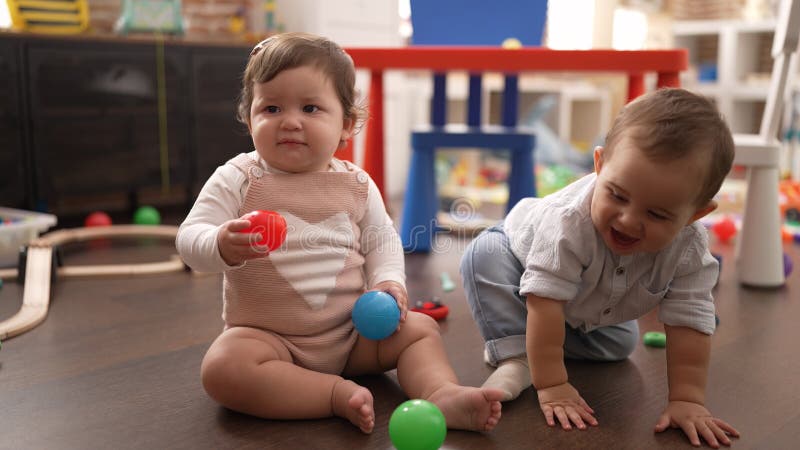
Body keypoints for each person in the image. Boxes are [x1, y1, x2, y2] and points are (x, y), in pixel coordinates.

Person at [176, 32, 502, 434]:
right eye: (271, 107)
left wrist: (387, 283)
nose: (290, 121)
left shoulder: (357, 184)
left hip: (352, 334)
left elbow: (381, 241)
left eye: (310, 108)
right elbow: (190, 239)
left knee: (420, 329)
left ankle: (442, 394)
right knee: (223, 368)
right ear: (249, 117)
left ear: (346, 124)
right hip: (269, 340)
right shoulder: (239, 178)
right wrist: (220, 243)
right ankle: (331, 394)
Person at [460, 88, 740, 447]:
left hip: (585, 302)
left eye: (656, 214)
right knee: (483, 255)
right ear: (599, 164)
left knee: (618, 346)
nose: (627, 219)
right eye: (617, 195)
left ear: (697, 215)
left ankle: (539, 344)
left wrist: (687, 400)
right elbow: (544, 301)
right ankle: (515, 354)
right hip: (518, 260)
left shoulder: (690, 249)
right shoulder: (567, 223)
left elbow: (690, 320)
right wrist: (553, 384)